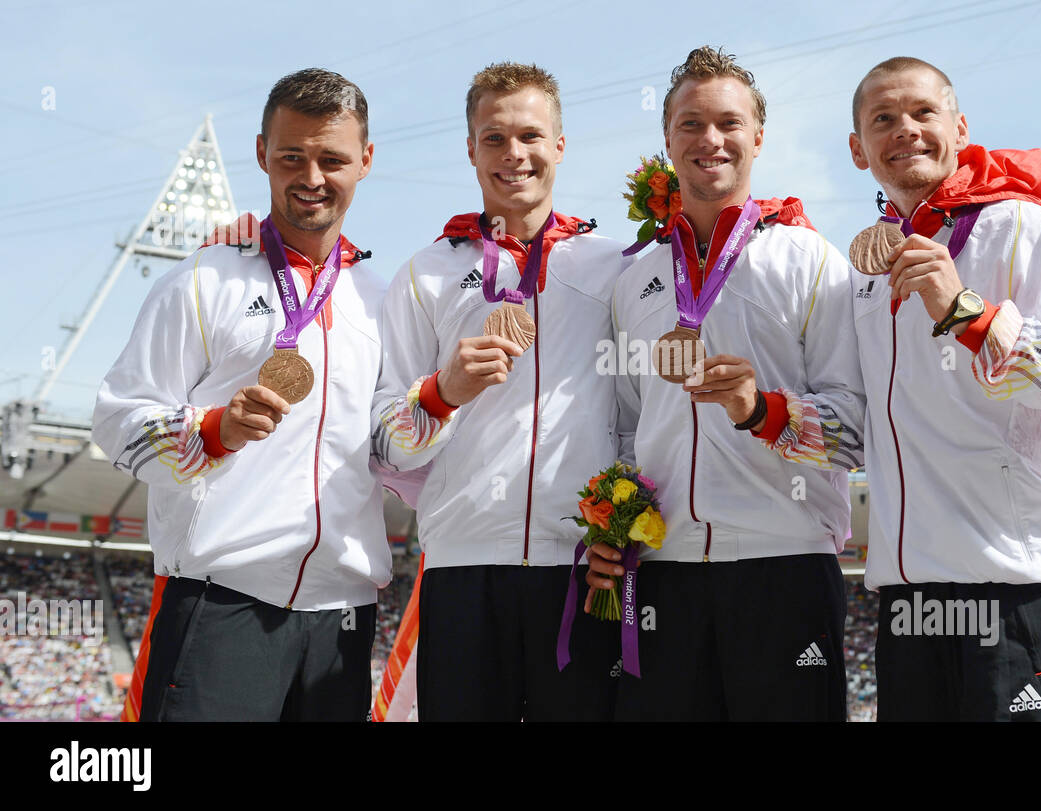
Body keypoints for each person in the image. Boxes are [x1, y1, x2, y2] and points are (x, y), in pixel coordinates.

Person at [93, 68, 389, 721]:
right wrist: (211, 430)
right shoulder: (203, 280)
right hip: (221, 599)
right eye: (292, 156)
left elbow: (394, 446)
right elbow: (116, 419)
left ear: (365, 161)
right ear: (261, 154)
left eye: (332, 159)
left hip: (343, 614)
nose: (311, 176)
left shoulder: (381, 300)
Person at [584, 46, 866, 721]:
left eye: (729, 123)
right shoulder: (633, 279)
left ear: (758, 138)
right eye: (690, 124)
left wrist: (761, 410)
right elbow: (624, 433)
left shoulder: (809, 260)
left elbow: (855, 431)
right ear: (667, 140)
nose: (710, 139)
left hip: (786, 563)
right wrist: (611, 520)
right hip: (661, 572)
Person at [846, 56, 1041, 721]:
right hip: (911, 605)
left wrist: (969, 314)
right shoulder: (861, 277)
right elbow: (859, 428)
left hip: (1024, 594)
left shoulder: (1027, 231)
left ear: (960, 125)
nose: (905, 130)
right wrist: (756, 408)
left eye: (923, 112)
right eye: (883, 119)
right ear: (859, 150)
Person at [370, 62, 625, 721]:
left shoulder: (614, 266)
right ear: (470, 148)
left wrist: (629, 529)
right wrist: (441, 394)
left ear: (560, 146)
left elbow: (642, 418)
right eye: (494, 138)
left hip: (581, 571)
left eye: (532, 136)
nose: (515, 154)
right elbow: (384, 445)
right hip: (461, 572)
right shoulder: (424, 274)